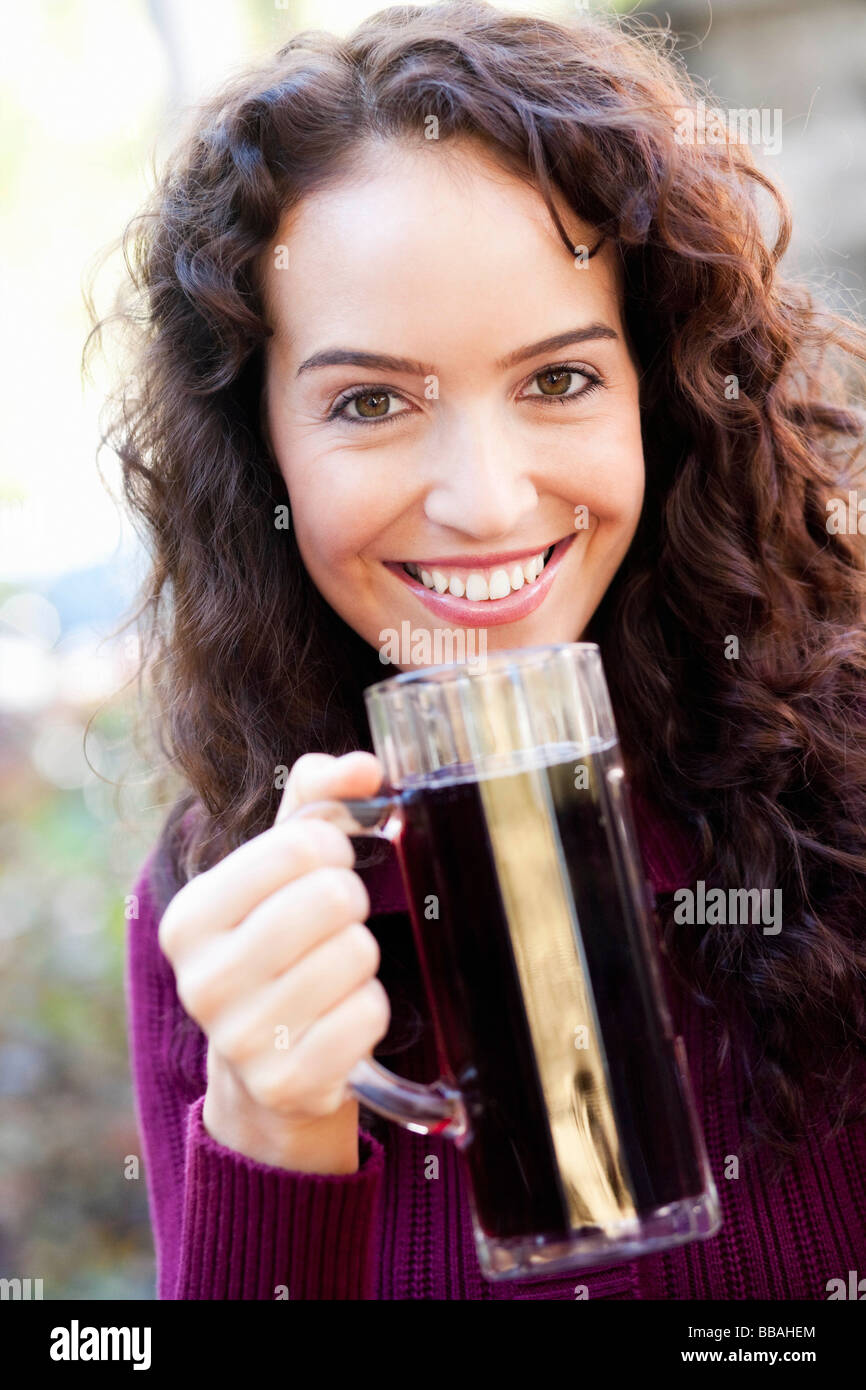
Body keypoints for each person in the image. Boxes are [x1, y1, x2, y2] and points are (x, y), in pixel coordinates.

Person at [93, 0, 866, 1298]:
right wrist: (271, 1129)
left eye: (558, 379)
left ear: (659, 393)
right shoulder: (220, 902)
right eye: (370, 401)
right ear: (258, 450)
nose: (488, 503)